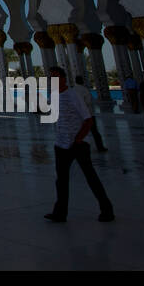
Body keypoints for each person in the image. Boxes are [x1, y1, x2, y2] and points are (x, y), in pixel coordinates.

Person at [45, 67, 114, 223]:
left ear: (64, 78)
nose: (54, 81)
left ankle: (107, 210)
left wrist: (78, 139)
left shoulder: (73, 95)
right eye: (51, 78)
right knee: (61, 180)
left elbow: (88, 119)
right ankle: (60, 213)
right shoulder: (54, 96)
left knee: (91, 177)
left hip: (78, 145)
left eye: (56, 77)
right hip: (61, 145)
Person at [72, 75, 105, 151]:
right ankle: (100, 147)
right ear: (82, 81)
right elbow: (88, 101)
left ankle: (74, 147)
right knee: (94, 131)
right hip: (88, 114)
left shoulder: (73, 90)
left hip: (77, 114)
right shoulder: (84, 90)